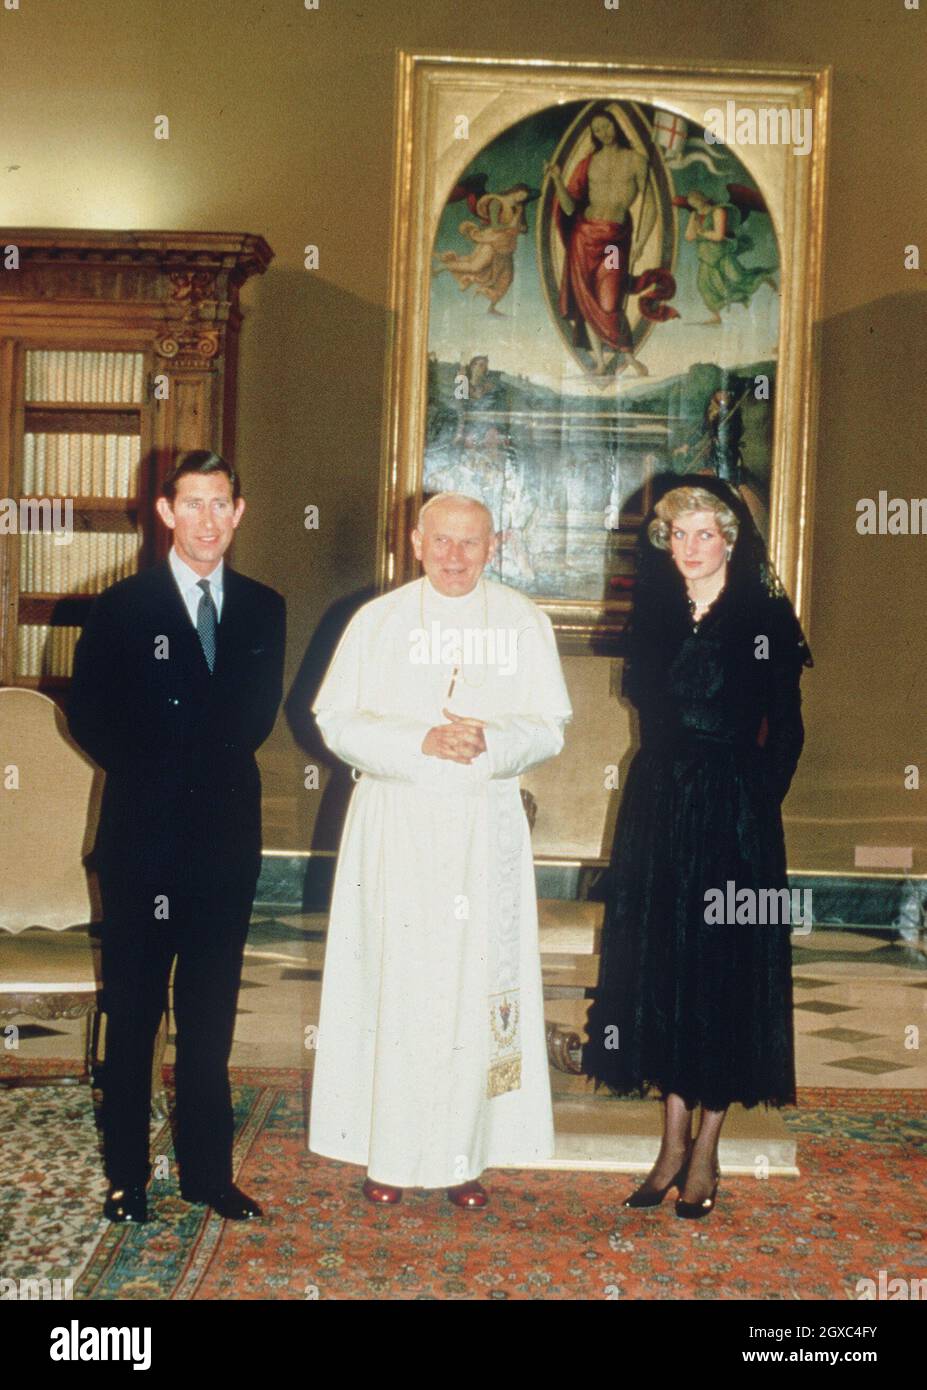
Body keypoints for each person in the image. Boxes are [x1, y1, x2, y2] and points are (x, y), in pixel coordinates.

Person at [308, 492, 572, 1207]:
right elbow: (333, 717)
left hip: (482, 826)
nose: (455, 556)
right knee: (395, 981)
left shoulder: (521, 621)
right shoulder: (378, 620)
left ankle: (466, 1158)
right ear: (416, 543)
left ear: (496, 546)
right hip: (395, 823)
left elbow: (548, 725)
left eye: (471, 543)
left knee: (472, 986)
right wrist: (417, 740)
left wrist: (492, 739)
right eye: (442, 542)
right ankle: (387, 1155)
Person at [583, 474, 812, 1218]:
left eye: (703, 533)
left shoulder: (764, 617)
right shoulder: (651, 611)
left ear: (730, 540)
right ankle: (669, 1144)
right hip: (658, 809)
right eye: (676, 534)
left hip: (735, 814)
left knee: (721, 974)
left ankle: (706, 1150)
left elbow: (788, 728)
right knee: (665, 969)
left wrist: (750, 803)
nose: (688, 547)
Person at [67, 451, 286, 1223]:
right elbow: (91, 715)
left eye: (219, 503)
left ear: (238, 513)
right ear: (165, 513)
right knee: (132, 1016)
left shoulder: (264, 607)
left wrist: (183, 750)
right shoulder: (120, 607)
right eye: (190, 504)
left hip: (225, 841)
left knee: (210, 1017)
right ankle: (128, 1177)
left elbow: (252, 720)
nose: (205, 520)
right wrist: (164, 768)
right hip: (141, 841)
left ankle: (207, 1175)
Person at [546, 108, 677, 377]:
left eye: (606, 126)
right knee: (587, 300)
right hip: (583, 238)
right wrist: (558, 179)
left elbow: (651, 202)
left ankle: (627, 355)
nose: (603, 133)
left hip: (613, 243)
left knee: (609, 299)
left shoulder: (636, 160)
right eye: (597, 130)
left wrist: (641, 241)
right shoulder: (588, 162)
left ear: (616, 126)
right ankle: (601, 361)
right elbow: (569, 208)